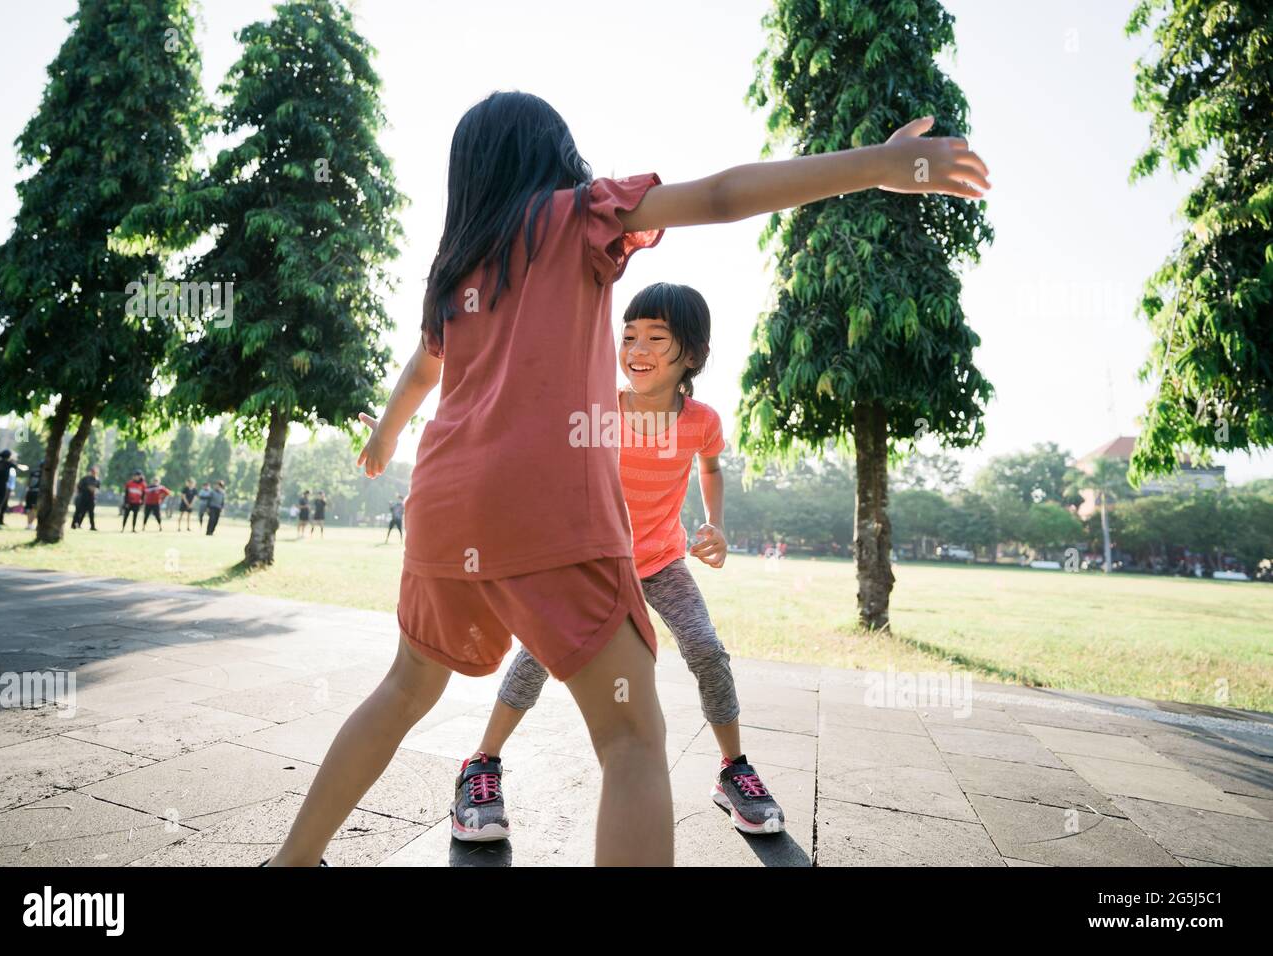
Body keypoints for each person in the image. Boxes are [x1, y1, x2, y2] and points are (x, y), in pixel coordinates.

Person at [262, 91, 989, 868]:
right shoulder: (581, 215)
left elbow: (421, 369)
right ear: (550, 152)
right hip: (542, 506)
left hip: (442, 502)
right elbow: (720, 195)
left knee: (405, 687)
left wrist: (385, 434)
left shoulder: (457, 267)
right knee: (631, 736)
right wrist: (877, 163)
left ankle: (291, 863)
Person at [462, 283, 784, 841]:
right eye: (629, 335)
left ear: (693, 353)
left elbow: (710, 467)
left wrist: (715, 522)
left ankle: (734, 770)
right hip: (592, 559)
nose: (637, 347)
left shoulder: (701, 421)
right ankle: (481, 765)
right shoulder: (602, 409)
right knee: (538, 653)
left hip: (661, 558)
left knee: (707, 648)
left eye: (656, 337)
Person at [72, 466, 101, 530]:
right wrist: (87, 488)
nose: (94, 473)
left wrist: (95, 490)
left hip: (91, 499)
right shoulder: (85, 478)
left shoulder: (97, 480)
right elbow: (79, 487)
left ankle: (92, 526)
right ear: (91, 471)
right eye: (93, 471)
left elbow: (98, 489)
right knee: (79, 511)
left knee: (91, 513)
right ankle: (73, 524)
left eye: (96, 472)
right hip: (83, 498)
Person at [23, 462, 44, 530]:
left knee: (29, 508)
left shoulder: (33, 472)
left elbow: (28, 482)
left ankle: (29, 524)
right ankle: (30, 524)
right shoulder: (44, 474)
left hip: (30, 491)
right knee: (35, 509)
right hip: (38, 492)